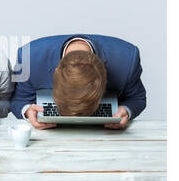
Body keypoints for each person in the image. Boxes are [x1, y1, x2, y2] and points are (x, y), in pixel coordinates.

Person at [12, 34, 145, 129]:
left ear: (105, 77)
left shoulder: (128, 58)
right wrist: (27, 111)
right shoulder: (28, 57)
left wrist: (126, 110)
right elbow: (18, 100)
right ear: (55, 73)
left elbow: (137, 98)